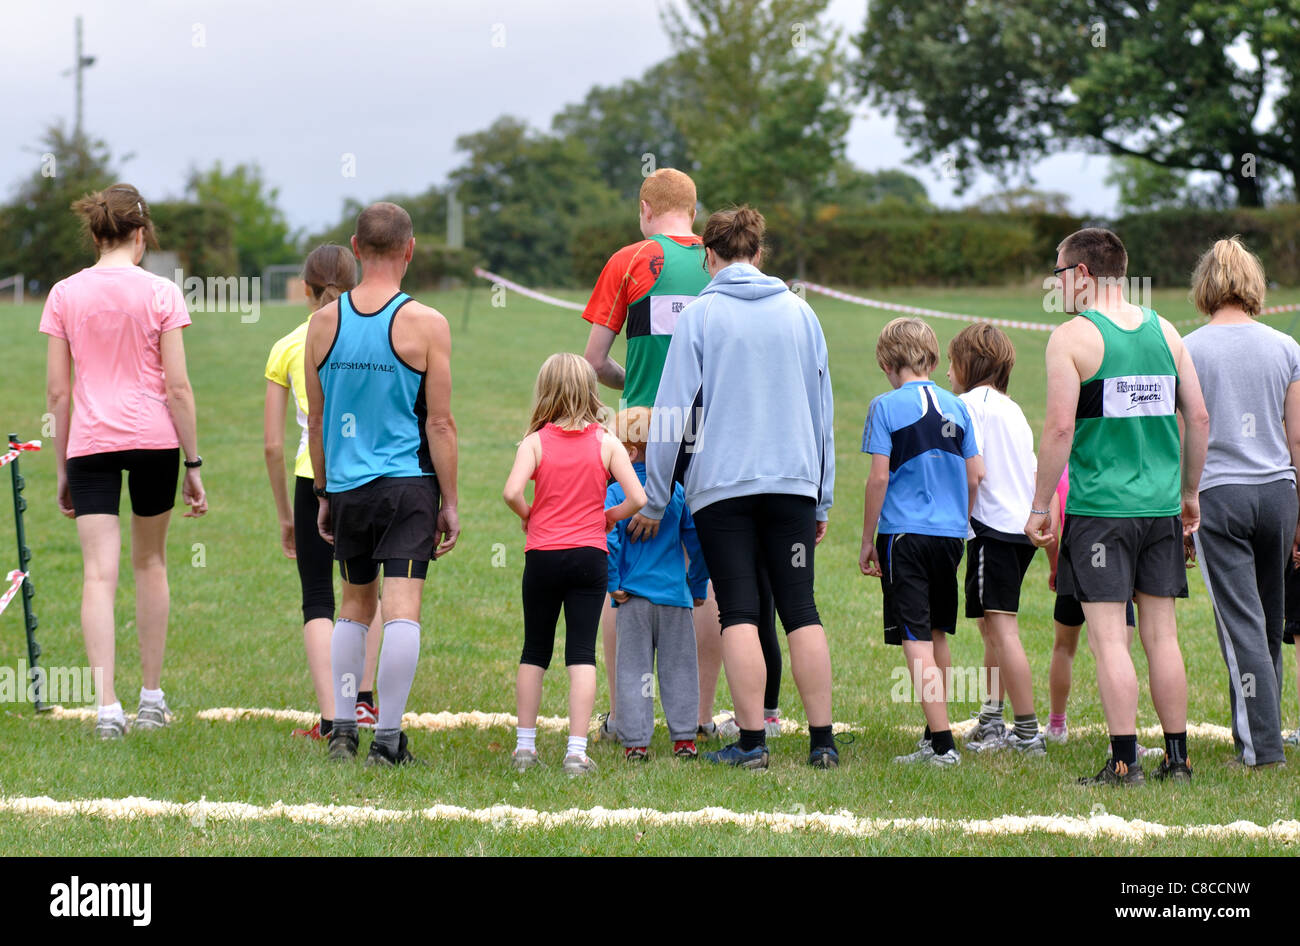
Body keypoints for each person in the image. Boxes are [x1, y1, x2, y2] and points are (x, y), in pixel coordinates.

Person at [580, 169, 784, 745]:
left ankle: (625, 718)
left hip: (645, 430)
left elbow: (594, 360)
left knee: (627, 572)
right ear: (693, 213)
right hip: (721, 430)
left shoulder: (629, 259)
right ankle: (695, 714)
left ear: (646, 208)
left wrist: (637, 387)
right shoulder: (726, 260)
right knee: (712, 570)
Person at [638, 206, 837, 770]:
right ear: (760, 251)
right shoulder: (801, 313)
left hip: (721, 489)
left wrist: (655, 497)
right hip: (794, 482)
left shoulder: (699, 317)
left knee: (740, 612)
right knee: (801, 608)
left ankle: (752, 743)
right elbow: (823, 412)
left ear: (710, 254)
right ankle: (822, 742)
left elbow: (673, 412)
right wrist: (822, 494)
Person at [1025, 227, 1209, 786]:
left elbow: (1059, 427)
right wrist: (1189, 494)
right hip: (1158, 509)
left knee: (1110, 640)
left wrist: (1039, 504)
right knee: (1163, 637)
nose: (1056, 284)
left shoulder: (1071, 338)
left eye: (1058, 273)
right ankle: (1176, 760)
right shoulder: (1167, 330)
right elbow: (1198, 418)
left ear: (1081, 273)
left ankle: (1124, 760)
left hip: (1101, 509)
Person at [41, 183, 207, 739]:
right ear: (141, 235)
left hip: (89, 441)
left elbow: (58, 394)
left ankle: (107, 708)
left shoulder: (64, 293)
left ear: (95, 234)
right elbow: (179, 388)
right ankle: (152, 699)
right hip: (154, 439)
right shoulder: (160, 292)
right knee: (150, 564)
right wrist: (194, 463)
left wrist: (63, 467)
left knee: (98, 573)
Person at [305, 202, 460, 767]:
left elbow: (316, 421)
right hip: (409, 486)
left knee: (353, 604)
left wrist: (323, 492)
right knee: (402, 610)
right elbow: (440, 423)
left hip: (347, 489)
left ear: (354, 246)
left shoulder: (322, 324)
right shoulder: (427, 323)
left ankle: (343, 729)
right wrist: (452, 502)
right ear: (409, 250)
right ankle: (388, 740)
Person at [1182, 236, 1300, 769]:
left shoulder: (1189, 348)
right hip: (1279, 494)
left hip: (1219, 495)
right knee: (1268, 622)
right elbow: (1297, 440)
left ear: (1204, 285)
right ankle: (1260, 735)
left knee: (1241, 627)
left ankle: (1262, 750)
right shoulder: (1286, 347)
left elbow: (1184, 432)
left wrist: (1181, 504)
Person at [503, 354, 646, 776]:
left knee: (535, 650)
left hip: (543, 555)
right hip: (589, 556)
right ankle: (576, 751)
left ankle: (525, 748)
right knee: (581, 653)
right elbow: (637, 498)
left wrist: (529, 514)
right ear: (591, 392)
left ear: (545, 392)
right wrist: (609, 518)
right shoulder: (606, 441)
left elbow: (511, 491)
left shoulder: (534, 442)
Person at [263, 244, 384, 741]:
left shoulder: (289, 344)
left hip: (311, 479)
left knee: (318, 597)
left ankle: (333, 718)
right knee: (367, 590)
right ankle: (366, 706)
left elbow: (272, 444)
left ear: (306, 290)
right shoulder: (378, 333)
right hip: (370, 474)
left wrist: (285, 515)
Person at [861, 318, 980, 768]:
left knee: (914, 637)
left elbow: (878, 478)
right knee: (936, 632)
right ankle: (935, 735)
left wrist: (869, 538)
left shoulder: (885, 406)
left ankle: (944, 746)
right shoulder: (959, 406)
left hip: (904, 534)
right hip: (949, 537)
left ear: (888, 364)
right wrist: (958, 520)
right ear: (932, 357)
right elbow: (975, 475)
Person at [946, 323, 1044, 756]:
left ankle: (1026, 734)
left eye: (951, 363)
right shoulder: (1013, 408)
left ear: (968, 364)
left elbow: (974, 471)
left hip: (992, 530)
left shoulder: (966, 405)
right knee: (991, 627)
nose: (948, 372)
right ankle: (991, 719)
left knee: (1002, 630)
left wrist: (957, 521)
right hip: (1019, 530)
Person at [605, 407, 708, 761]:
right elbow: (697, 544)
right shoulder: (676, 491)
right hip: (676, 600)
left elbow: (610, 542)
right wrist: (697, 587)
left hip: (632, 598)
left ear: (629, 452)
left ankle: (636, 743)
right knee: (680, 667)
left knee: (633, 670)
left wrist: (613, 582)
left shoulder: (617, 493)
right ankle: (684, 739)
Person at [1043, 466, 1138, 744]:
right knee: (1119, 651)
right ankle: (1121, 739)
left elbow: (1051, 528)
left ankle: (1056, 726)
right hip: (1116, 567)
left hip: (1073, 562)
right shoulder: (1119, 465)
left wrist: (1054, 567)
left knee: (1063, 647)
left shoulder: (1061, 471)